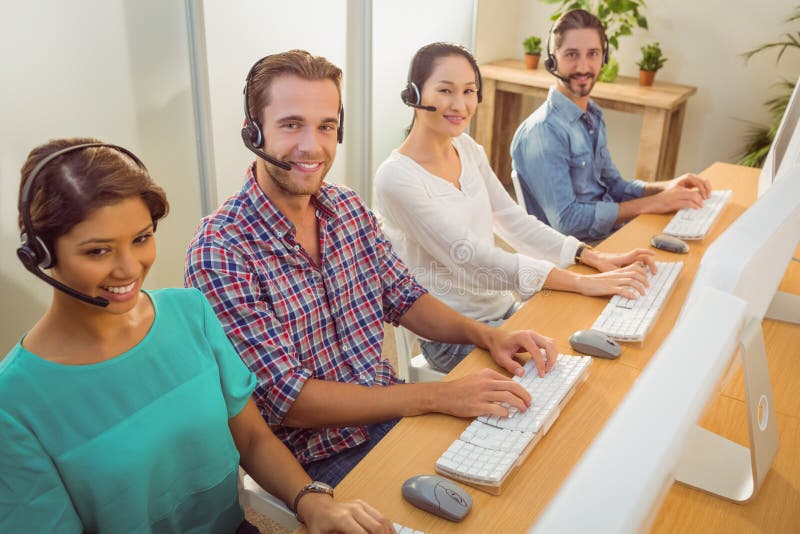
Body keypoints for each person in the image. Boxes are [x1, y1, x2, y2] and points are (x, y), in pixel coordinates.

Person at [184, 50, 560, 488]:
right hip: (319, 457)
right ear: (254, 131)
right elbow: (290, 402)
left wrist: (488, 335)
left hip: (396, 413)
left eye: (326, 126)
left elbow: (404, 297)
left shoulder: (346, 206)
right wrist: (437, 395)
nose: (312, 145)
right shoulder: (221, 249)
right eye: (291, 125)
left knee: (532, 460)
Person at [0, 138, 394, 533]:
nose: (129, 268)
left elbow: (254, 439)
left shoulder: (189, 312)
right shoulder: (14, 403)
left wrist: (312, 500)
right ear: (41, 255)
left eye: (141, 238)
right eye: (98, 251)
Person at [373, 42, 657, 373]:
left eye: (469, 91)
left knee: (593, 359)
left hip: (505, 312)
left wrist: (591, 257)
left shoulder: (467, 149)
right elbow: (472, 259)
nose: (460, 104)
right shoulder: (396, 178)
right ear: (414, 94)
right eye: (445, 90)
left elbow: (513, 222)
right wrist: (580, 282)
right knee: (550, 379)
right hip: (452, 337)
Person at [510, 9, 712, 243]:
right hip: (581, 253)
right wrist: (652, 204)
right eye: (572, 55)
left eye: (593, 54)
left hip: (610, 235)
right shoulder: (544, 132)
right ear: (552, 60)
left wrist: (665, 188)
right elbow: (566, 221)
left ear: (604, 57)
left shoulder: (592, 115)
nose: (583, 67)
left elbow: (614, 185)